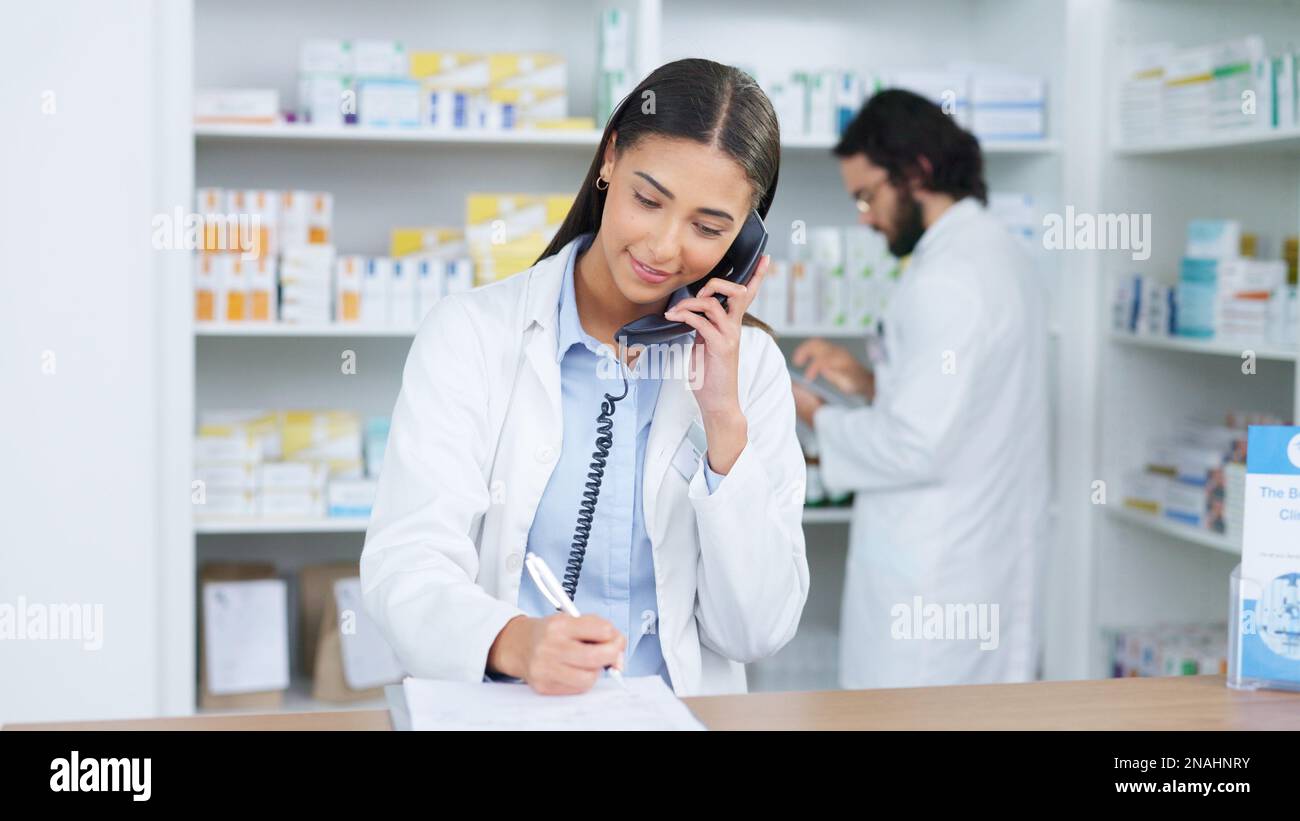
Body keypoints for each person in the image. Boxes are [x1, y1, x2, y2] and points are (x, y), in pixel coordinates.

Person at [361, 58, 809, 697]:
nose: (663, 247)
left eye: (709, 228)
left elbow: (756, 632)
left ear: (745, 242)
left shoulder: (751, 371)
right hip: (511, 710)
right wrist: (513, 641)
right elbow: (406, 565)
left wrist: (723, 425)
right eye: (648, 200)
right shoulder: (471, 334)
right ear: (610, 158)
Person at [791, 89, 1050, 689]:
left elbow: (915, 445)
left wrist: (809, 410)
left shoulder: (947, 280)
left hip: (934, 579)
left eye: (867, 196)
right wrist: (871, 383)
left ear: (916, 173)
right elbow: (967, 406)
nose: (864, 217)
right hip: (979, 556)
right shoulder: (997, 254)